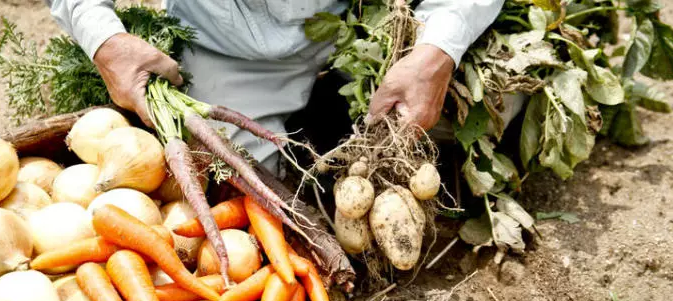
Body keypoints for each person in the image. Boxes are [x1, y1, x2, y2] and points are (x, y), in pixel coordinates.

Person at [44, 0, 503, 175]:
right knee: (224, 182)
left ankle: (334, 117)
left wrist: (438, 48)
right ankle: (311, 133)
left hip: (374, 17)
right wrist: (103, 38)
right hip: (226, 41)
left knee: (492, 113)